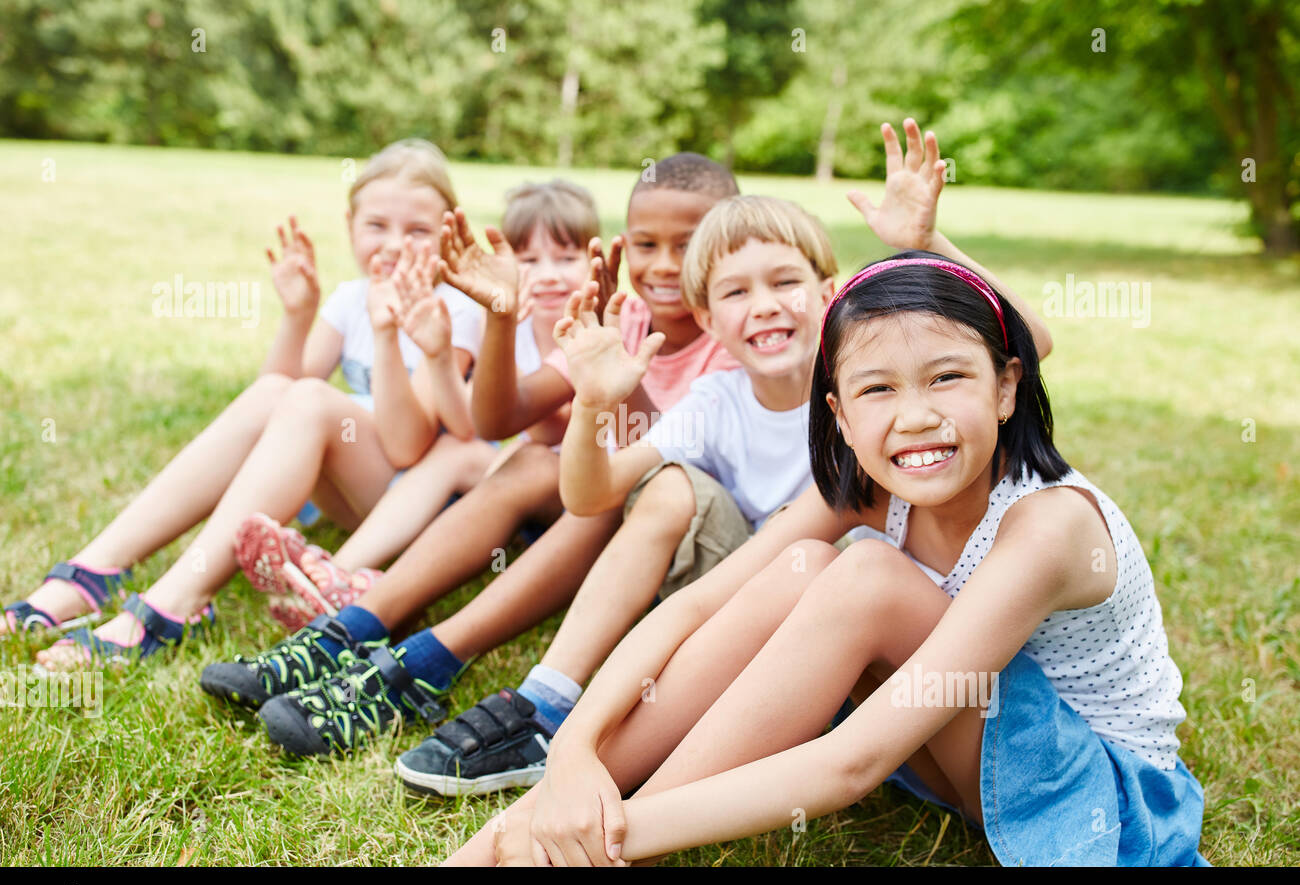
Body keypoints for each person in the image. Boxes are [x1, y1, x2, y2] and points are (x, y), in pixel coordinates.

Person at [472, 243, 1207, 867]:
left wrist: (614, 837)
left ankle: (581, 848)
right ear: (842, 417)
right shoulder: (863, 488)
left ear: (1008, 386)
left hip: (1099, 801)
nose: (916, 417)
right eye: (877, 389)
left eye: (947, 377)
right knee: (805, 568)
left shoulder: (1049, 525)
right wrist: (571, 753)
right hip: (958, 747)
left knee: (866, 576)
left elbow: (850, 762)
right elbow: (698, 606)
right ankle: (520, 833)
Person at [398, 121, 1054, 797]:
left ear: (829, 292)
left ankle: (619, 762)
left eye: (783, 283)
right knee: (674, 491)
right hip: (755, 596)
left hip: (848, 623)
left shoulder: (871, 381)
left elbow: (1029, 344)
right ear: (708, 320)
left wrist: (924, 244)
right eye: (736, 293)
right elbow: (591, 499)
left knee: (801, 563)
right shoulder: (718, 400)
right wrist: (595, 406)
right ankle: (551, 706)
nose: (764, 306)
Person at [199, 155, 743, 756]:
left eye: (686, 245)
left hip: (677, 542)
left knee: (621, 486)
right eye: (646, 244)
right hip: (591, 520)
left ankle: (422, 664)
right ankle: (348, 629)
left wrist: (612, 378)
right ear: (623, 243)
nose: (665, 265)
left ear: (727, 244)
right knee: (532, 461)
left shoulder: (736, 326)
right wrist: (502, 319)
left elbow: (659, 456)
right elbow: (498, 420)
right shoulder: (624, 312)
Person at [11, 139, 484, 667]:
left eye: (418, 231)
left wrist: (389, 334)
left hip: (403, 501)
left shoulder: (455, 310)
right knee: (285, 394)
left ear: (446, 236)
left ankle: (177, 601)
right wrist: (298, 316)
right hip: (353, 484)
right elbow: (268, 403)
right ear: (350, 224)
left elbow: (407, 447)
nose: (394, 244)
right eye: (377, 226)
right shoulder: (351, 296)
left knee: (308, 398)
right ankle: (96, 568)